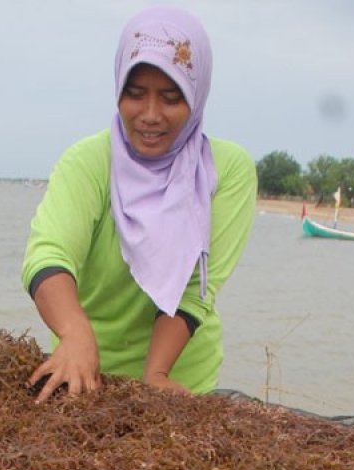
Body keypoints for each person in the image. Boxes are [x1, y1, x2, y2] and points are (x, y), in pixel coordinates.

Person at [21, 6, 257, 403]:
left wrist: (157, 374)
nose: (150, 115)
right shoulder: (88, 162)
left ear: (196, 98)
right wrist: (75, 333)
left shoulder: (227, 171)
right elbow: (48, 254)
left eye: (170, 98)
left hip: (181, 375)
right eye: (135, 94)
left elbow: (197, 290)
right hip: (84, 370)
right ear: (118, 90)